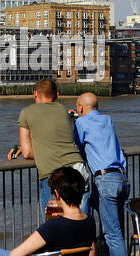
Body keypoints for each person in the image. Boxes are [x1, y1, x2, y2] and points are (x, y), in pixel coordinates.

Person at [73, 92, 131, 256]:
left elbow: (77, 147)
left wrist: (74, 121)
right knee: (117, 229)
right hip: (121, 177)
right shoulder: (107, 119)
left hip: (104, 179)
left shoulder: (81, 124)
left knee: (111, 233)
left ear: (80, 108)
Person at [11, 78, 90, 216]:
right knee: (82, 227)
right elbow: (57, 140)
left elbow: (28, 153)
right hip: (79, 169)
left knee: (55, 229)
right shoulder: (63, 111)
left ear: (35, 93)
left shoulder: (26, 112)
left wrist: (27, 150)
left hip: (55, 175)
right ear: (57, 95)